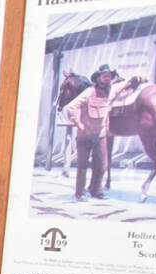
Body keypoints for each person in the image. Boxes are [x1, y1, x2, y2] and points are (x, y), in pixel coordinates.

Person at [63, 64, 123, 200]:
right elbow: (71, 107)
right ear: (99, 78)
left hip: (100, 135)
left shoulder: (110, 91)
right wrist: (78, 124)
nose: (107, 78)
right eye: (105, 76)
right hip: (84, 136)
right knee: (82, 166)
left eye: (109, 76)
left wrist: (135, 79)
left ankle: (96, 190)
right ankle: (80, 193)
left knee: (102, 166)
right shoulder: (89, 91)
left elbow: (121, 87)